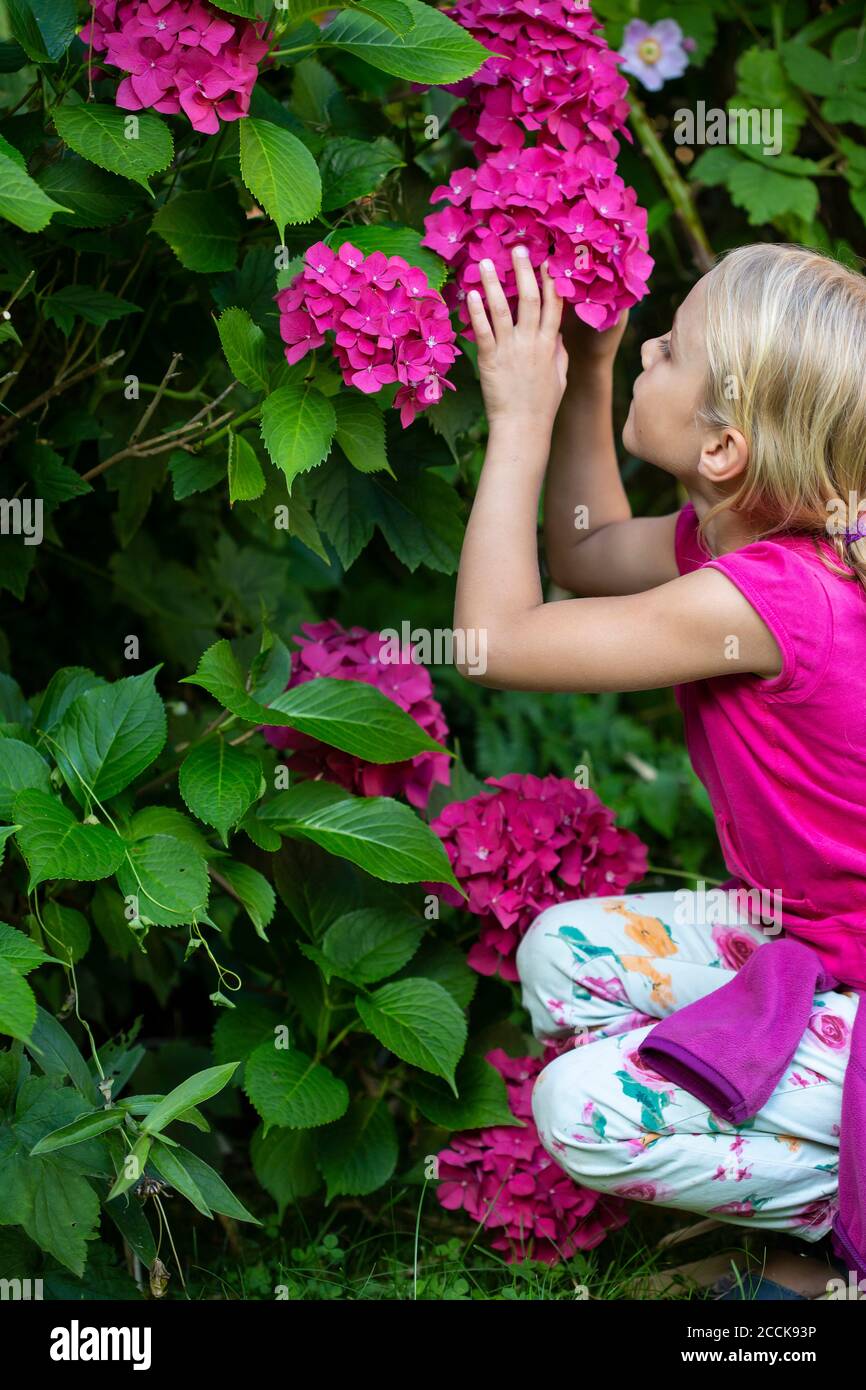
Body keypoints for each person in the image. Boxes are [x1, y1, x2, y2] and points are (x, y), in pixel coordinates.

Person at [453, 241, 866, 1297]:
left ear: (723, 447)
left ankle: (836, 1230)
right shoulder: (746, 549)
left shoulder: (761, 601)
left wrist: (519, 421)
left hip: (846, 979)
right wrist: (587, 377)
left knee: (579, 1111)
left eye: (668, 349)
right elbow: (588, 553)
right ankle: (798, 1151)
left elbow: (492, 644)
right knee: (559, 956)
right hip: (817, 945)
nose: (646, 347)